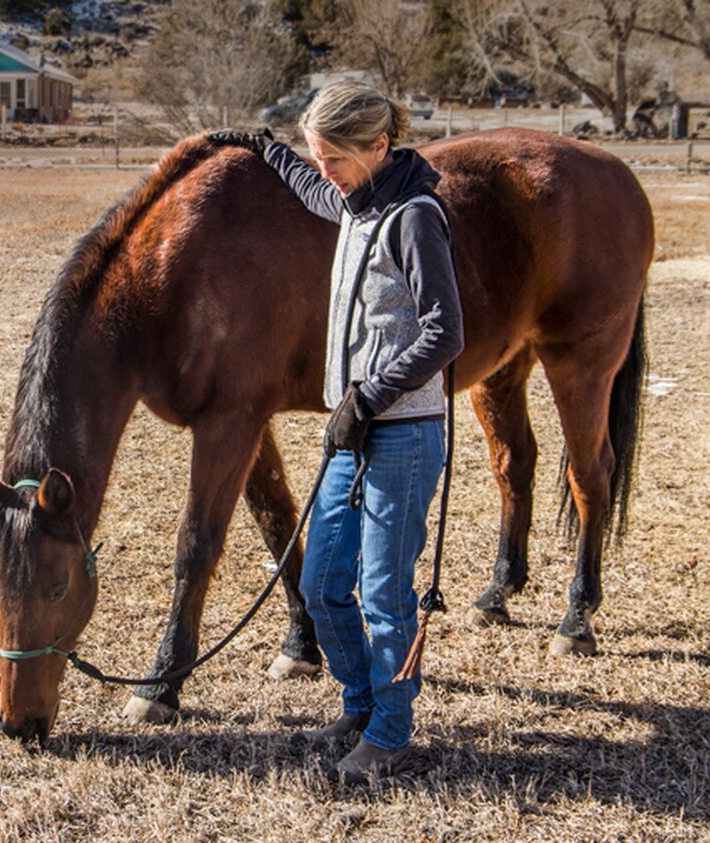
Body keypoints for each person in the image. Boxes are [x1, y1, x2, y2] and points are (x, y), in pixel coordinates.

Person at [209, 81, 464, 784]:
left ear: (378, 146)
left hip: (402, 432)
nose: (325, 172)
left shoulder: (414, 217)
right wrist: (268, 151)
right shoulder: (355, 200)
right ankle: (358, 702)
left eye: (334, 158)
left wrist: (371, 395)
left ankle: (390, 731)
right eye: (317, 156)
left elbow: (446, 331)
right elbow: (312, 191)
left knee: (384, 594)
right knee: (322, 584)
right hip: (353, 431)